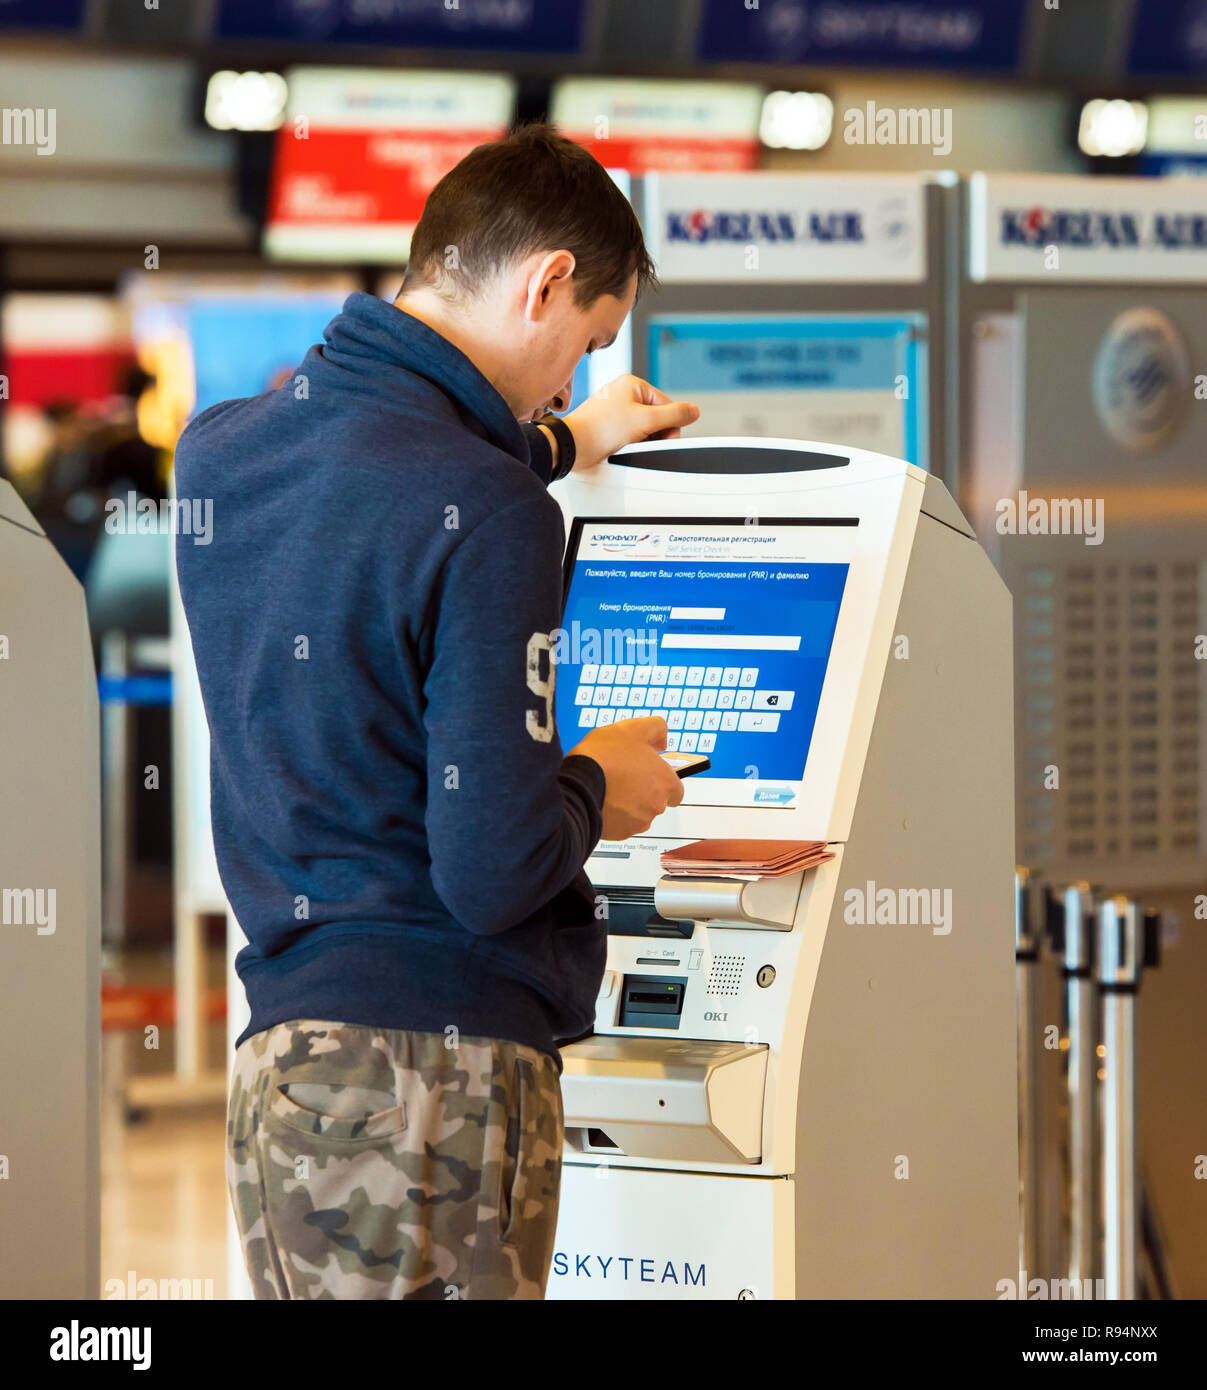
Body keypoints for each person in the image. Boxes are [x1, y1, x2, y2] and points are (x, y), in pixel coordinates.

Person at [174, 123, 698, 1301]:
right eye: (586, 344)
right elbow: (494, 866)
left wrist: (569, 439)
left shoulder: (222, 458)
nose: (572, 378)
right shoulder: (496, 510)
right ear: (546, 281)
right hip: (438, 1073)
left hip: (287, 1066)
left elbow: (372, 469)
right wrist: (596, 783)